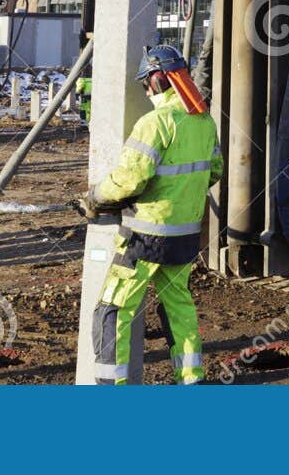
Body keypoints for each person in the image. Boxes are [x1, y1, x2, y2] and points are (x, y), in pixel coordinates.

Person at [81, 44, 222, 385]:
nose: (145, 90)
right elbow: (213, 171)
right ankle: (191, 379)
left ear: (158, 81)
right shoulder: (203, 121)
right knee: (179, 307)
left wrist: (95, 196)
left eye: (146, 82)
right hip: (184, 237)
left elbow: (130, 180)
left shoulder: (154, 123)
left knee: (113, 311)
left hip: (146, 237)